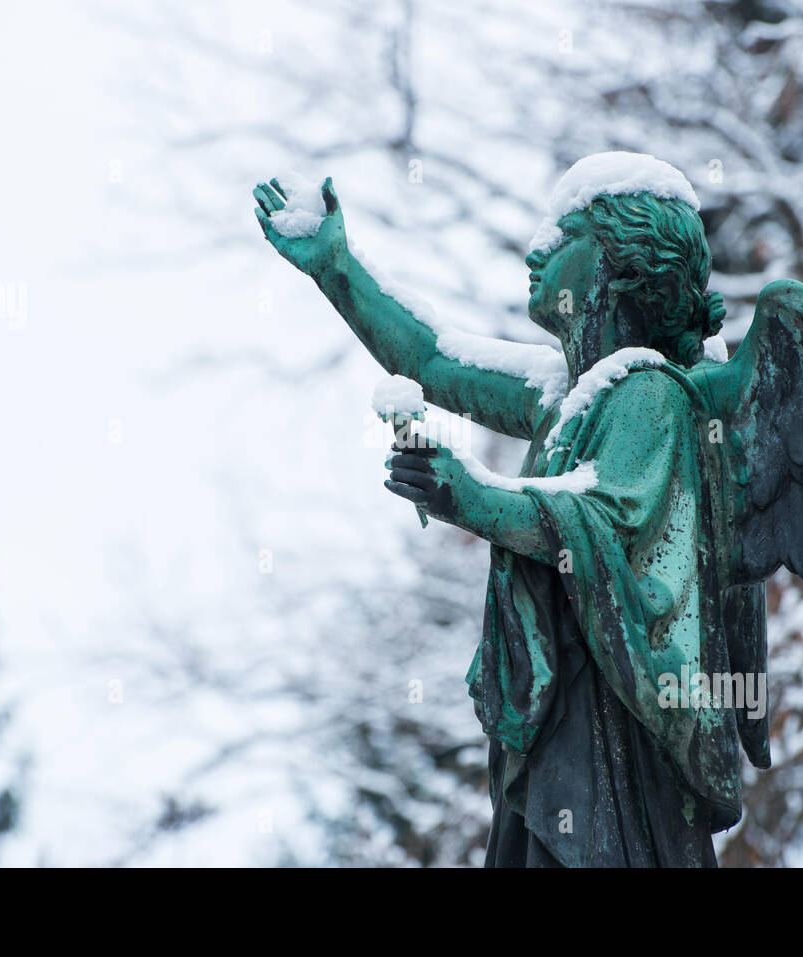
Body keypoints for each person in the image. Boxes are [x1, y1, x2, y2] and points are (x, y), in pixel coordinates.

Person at [254, 153, 752, 867]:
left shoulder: (652, 394)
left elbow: (603, 521)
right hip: (560, 726)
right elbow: (430, 358)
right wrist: (335, 264)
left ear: (621, 262)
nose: (536, 247)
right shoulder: (561, 395)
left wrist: (474, 496)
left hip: (616, 728)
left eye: (564, 232)